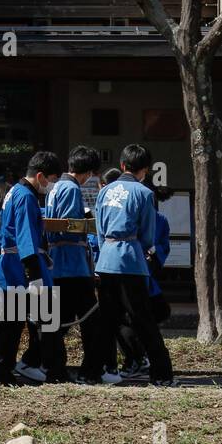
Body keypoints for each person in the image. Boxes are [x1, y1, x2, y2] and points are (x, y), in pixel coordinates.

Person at [91, 144, 173, 386]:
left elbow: (99, 230)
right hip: (130, 260)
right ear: (145, 170)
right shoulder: (144, 193)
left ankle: (91, 372)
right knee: (143, 320)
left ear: (123, 165)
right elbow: (148, 234)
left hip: (106, 259)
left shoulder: (104, 192)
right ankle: (161, 375)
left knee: (106, 321)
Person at [0, 151, 59, 385]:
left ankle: (5, 370)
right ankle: (9, 370)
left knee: (12, 323)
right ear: (40, 176)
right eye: (51, 179)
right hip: (18, 267)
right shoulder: (26, 197)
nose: (51, 186)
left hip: (10, 264)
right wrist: (34, 275)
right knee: (19, 323)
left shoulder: (14, 191)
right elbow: (26, 237)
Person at [41, 145, 103, 384]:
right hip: (72, 264)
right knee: (90, 320)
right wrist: (88, 224)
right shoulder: (71, 188)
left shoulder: (55, 188)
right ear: (87, 172)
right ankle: (90, 370)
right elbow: (67, 225)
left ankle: (51, 366)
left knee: (58, 320)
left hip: (59, 263)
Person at [119, 186, 173, 378]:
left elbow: (162, 246)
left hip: (145, 276)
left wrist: (152, 254)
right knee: (128, 320)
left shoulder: (160, 220)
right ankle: (136, 358)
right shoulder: (128, 216)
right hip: (131, 272)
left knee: (140, 318)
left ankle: (138, 359)